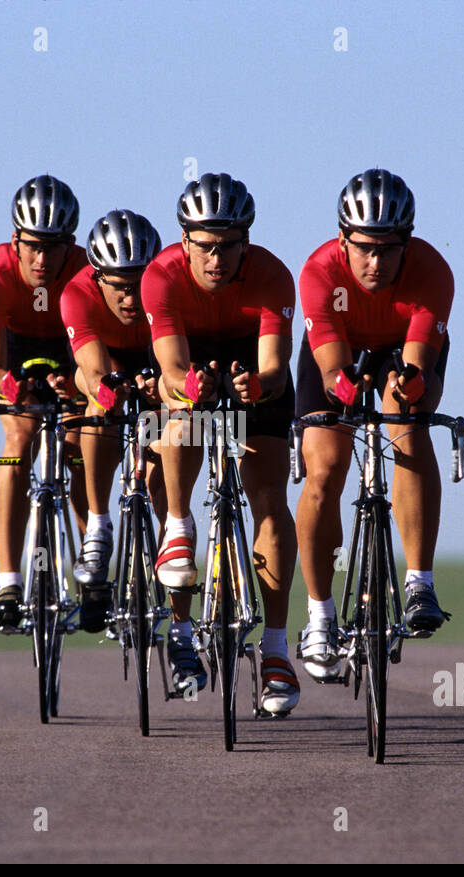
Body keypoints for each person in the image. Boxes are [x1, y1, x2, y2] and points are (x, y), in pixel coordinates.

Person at [142, 173, 301, 714]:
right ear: (184, 241)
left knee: (270, 501)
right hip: (190, 367)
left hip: (253, 373)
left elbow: (277, 370)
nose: (216, 258)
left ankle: (276, 651)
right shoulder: (160, 277)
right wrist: (188, 387)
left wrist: (257, 386)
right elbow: (166, 373)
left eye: (228, 245)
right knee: (179, 418)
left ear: (246, 242)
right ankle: (179, 528)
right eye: (205, 245)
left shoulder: (273, 275)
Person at [293, 168, 455, 682]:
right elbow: (332, 371)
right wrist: (347, 390)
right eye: (364, 248)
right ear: (343, 239)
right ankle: (320, 615)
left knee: (408, 421)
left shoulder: (432, 271)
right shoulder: (319, 271)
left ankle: (419, 582)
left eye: (389, 249)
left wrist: (410, 386)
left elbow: (419, 365)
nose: (376, 262)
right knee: (325, 469)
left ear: (407, 242)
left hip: (400, 352)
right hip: (336, 356)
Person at [0, 175, 88, 631]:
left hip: (73, 345)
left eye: (53, 247)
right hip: (17, 355)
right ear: (15, 240)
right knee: (18, 439)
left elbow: (95, 357)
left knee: (79, 446)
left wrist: (76, 385)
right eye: (33, 246)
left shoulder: (83, 269)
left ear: (70, 245)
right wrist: (13, 389)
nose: (42, 259)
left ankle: (90, 569)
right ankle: (8, 582)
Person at [59, 210, 166, 602]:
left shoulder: (169, 286)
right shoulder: (77, 293)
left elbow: (175, 363)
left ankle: (170, 539)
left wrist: (164, 386)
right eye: (119, 287)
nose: (130, 297)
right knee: (96, 401)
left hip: (157, 358)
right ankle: (99, 525)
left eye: (139, 285)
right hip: (106, 363)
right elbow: (92, 368)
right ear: (97, 277)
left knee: (168, 435)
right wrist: (110, 393)